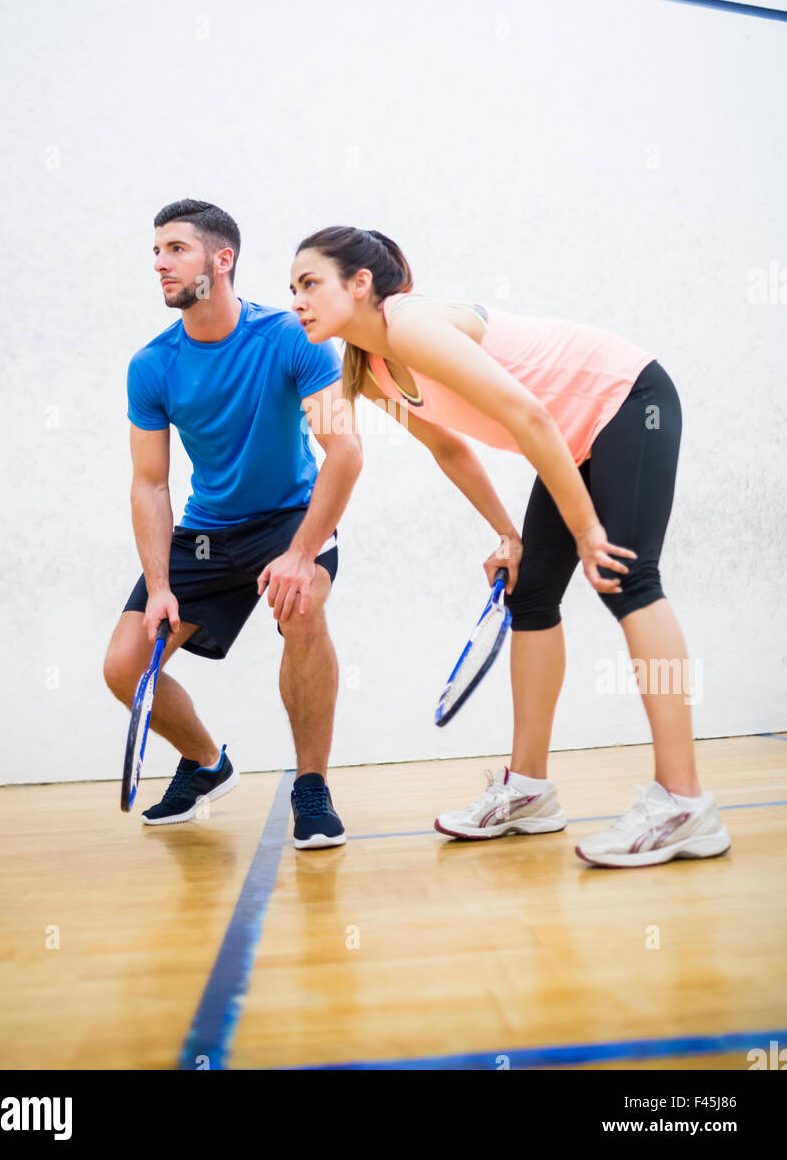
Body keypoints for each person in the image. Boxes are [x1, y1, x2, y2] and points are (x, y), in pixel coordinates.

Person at [288, 225, 731, 868]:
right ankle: (528, 791)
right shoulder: (372, 370)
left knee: (627, 579)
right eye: (292, 288)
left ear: (360, 285)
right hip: (571, 438)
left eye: (309, 283)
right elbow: (451, 448)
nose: (296, 300)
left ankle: (684, 804)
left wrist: (586, 532)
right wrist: (510, 535)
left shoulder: (408, 322)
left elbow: (529, 416)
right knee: (532, 597)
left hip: (628, 398)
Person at [103, 200, 362, 848]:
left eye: (176, 249)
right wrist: (159, 584)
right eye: (156, 250)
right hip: (205, 532)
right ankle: (204, 763)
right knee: (125, 664)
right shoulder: (153, 365)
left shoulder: (289, 338)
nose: (160, 262)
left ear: (223, 260)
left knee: (302, 611)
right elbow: (151, 482)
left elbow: (346, 451)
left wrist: (302, 554)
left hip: (288, 520)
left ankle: (311, 785)